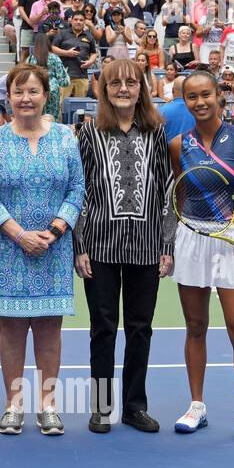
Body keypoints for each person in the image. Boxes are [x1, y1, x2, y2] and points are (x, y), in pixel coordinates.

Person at [170, 70, 234, 444]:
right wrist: (175, 241)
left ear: (220, 96)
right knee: (195, 327)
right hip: (192, 238)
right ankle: (196, 405)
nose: (199, 103)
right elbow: (180, 197)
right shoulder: (179, 145)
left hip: (233, 240)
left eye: (205, 95)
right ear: (185, 101)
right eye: (191, 97)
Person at [0, 63, 85, 436]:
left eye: (33, 91)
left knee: (49, 328)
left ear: (46, 95)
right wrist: (19, 233)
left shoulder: (66, 137)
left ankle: (48, 403)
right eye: (18, 92)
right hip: (9, 250)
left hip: (54, 250)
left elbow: (77, 191)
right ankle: (14, 404)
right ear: (9, 97)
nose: (25, 98)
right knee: (10, 328)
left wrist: (54, 232)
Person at [74, 59, 174, 434]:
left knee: (140, 327)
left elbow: (168, 191)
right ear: (103, 88)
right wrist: (79, 244)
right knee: (102, 327)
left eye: (131, 83)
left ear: (141, 89)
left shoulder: (157, 133)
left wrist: (168, 243)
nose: (123, 89)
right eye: (115, 83)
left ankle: (134, 406)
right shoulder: (88, 133)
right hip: (99, 245)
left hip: (147, 247)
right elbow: (78, 192)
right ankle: (101, 408)